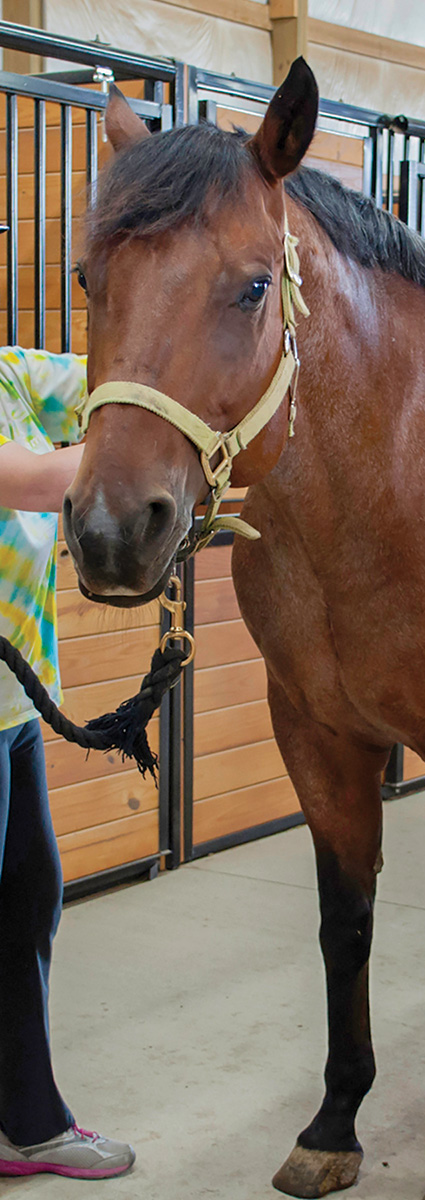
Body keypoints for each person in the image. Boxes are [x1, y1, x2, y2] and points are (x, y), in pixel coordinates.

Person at [0, 347, 136, 1179]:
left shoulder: (9, 370)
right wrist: (150, 443)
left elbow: (115, 382)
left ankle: (27, 1122)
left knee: (27, 903)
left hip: (13, 703)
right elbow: (31, 481)